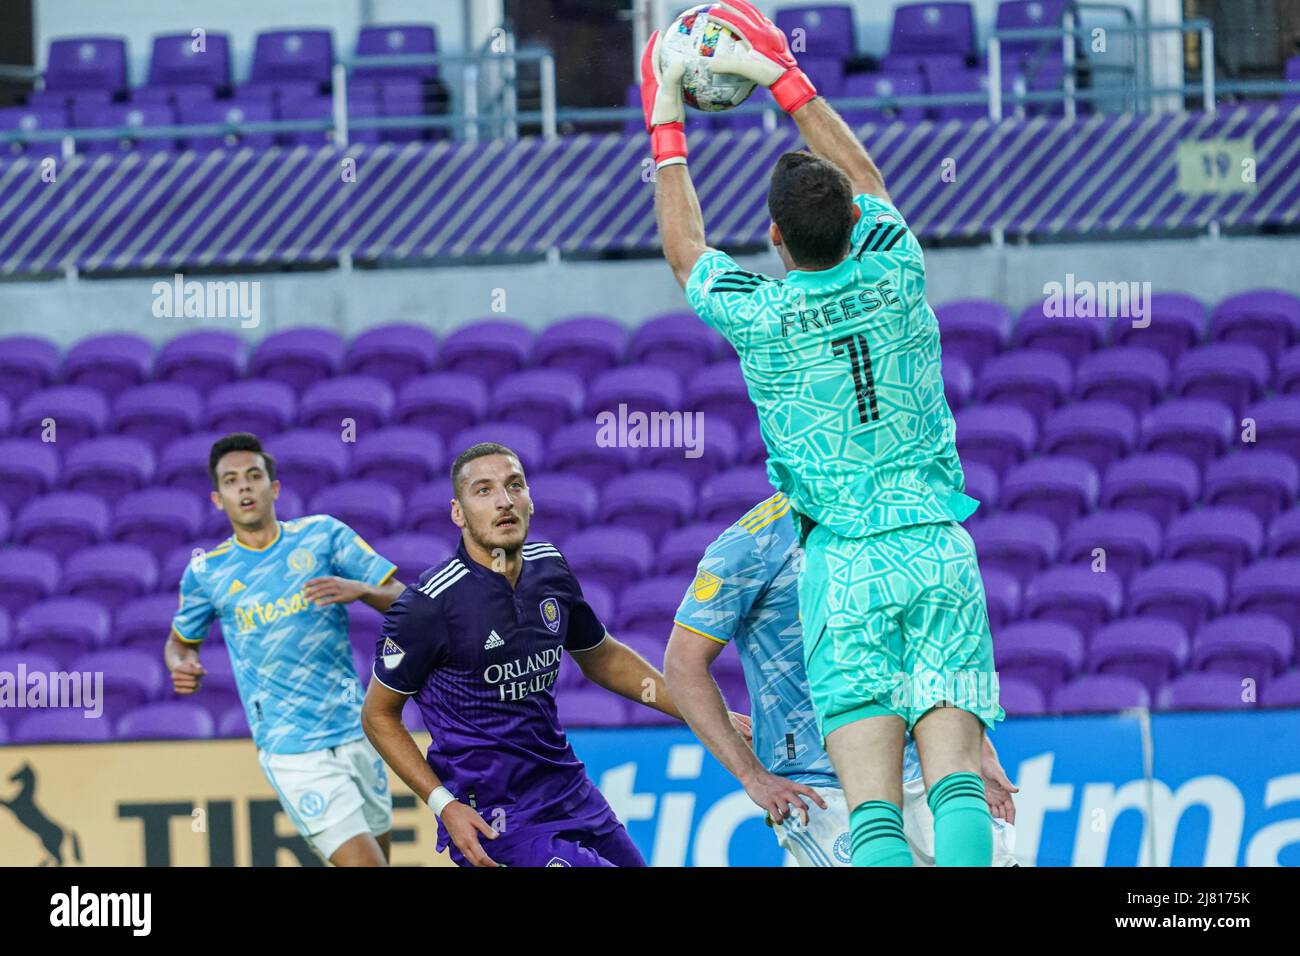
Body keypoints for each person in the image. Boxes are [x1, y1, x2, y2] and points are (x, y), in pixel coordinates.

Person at [645, 0, 1004, 866]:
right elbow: (870, 178)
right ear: (854, 224)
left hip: (841, 564)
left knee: (872, 807)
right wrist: (783, 77)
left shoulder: (760, 316)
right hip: (934, 548)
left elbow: (687, 249)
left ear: (772, 238)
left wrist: (665, 108)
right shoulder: (896, 264)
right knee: (953, 780)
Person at [361, 442, 746, 867]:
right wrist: (443, 804)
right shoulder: (429, 605)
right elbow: (378, 715)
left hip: (567, 787)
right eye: (484, 491)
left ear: (530, 499)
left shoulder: (550, 568)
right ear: (458, 512)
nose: (504, 501)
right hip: (496, 815)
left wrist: (701, 711)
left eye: (514, 486)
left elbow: (602, 658)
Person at [664, 492, 1021, 866]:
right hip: (820, 786)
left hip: (924, 764)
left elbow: (932, 643)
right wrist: (752, 776)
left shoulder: (897, 513)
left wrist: (975, 752)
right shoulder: (751, 544)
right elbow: (682, 663)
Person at [165, 432, 405, 866]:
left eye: (254, 476)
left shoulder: (323, 535)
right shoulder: (206, 572)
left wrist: (361, 589)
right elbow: (180, 644)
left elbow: (404, 599)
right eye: (231, 480)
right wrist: (182, 665)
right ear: (218, 498)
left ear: (273, 488)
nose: (244, 487)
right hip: (293, 748)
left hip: (358, 730)